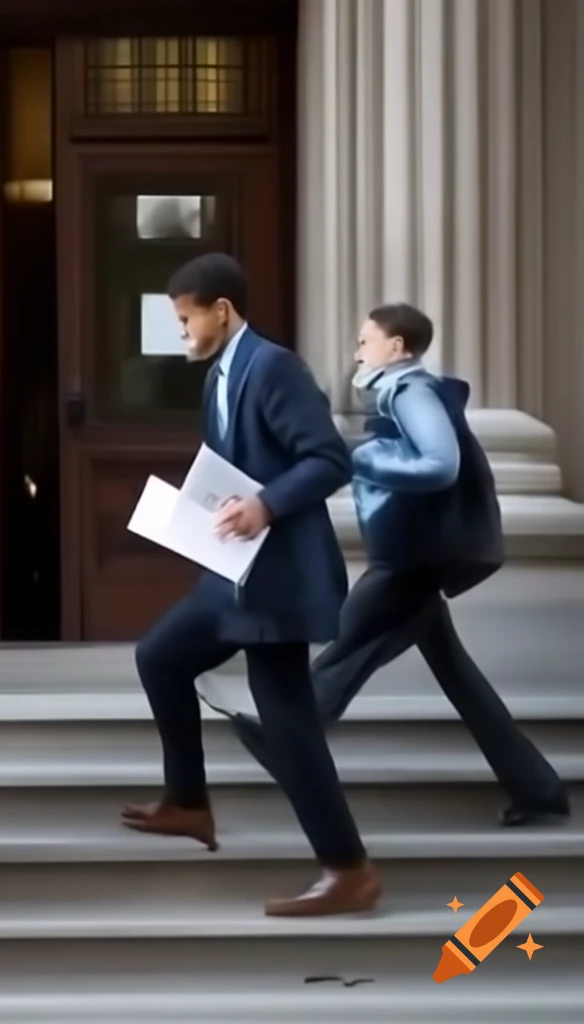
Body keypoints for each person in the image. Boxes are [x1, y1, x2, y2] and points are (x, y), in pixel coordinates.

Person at [230, 303, 570, 826]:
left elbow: (439, 464)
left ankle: (290, 733)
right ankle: (539, 789)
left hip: (413, 557)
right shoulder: (399, 394)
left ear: (397, 348)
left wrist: (360, 458)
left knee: (346, 638)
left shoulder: (412, 392)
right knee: (457, 676)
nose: (357, 350)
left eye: (366, 341)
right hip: (414, 554)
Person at [124, 253, 380, 916]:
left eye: (186, 319)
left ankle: (348, 869)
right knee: (160, 656)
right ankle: (187, 802)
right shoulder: (220, 374)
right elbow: (233, 464)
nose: (181, 332)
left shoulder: (274, 367)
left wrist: (265, 504)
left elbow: (329, 459)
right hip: (234, 574)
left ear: (222, 311)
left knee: (288, 722)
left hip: (280, 580)